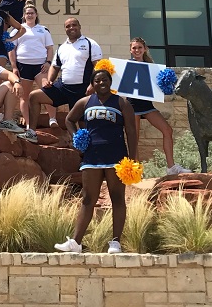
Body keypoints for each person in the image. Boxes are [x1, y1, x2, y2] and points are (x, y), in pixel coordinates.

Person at [54, 68, 138, 254]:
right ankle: (75, 243)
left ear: (110, 82)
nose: (101, 83)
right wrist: (77, 138)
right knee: (87, 199)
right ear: (92, 84)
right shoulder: (84, 102)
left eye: (105, 80)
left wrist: (133, 158)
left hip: (116, 156)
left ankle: (115, 243)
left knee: (117, 199)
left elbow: (131, 131)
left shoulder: (122, 103)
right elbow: (69, 120)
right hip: (92, 157)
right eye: (97, 80)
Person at [24, 18, 102, 141]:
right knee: (34, 96)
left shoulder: (90, 44)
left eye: (74, 25)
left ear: (79, 26)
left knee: (83, 125)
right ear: (65, 29)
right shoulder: (62, 47)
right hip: (63, 87)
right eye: (68, 26)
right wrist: (49, 80)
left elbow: (98, 66)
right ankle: (32, 133)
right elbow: (55, 67)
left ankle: (86, 152)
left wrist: (93, 85)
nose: (71, 28)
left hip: (82, 90)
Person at [126, 37, 192, 177]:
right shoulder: (127, 66)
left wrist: (168, 85)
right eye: (134, 48)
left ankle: (171, 167)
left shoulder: (152, 66)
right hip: (132, 106)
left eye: (139, 47)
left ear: (145, 49)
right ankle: (135, 170)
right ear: (130, 50)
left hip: (147, 106)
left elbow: (160, 87)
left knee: (167, 130)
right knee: (134, 138)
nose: (137, 50)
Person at [9, 3, 55, 136]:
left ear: (36, 15)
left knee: (48, 92)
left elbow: (50, 48)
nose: (29, 15)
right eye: (27, 13)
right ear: (23, 16)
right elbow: (11, 48)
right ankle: (29, 124)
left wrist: (48, 62)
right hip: (23, 66)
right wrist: (14, 67)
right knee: (25, 96)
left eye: (32, 13)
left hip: (41, 66)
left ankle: (52, 119)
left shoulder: (43, 30)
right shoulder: (18, 29)